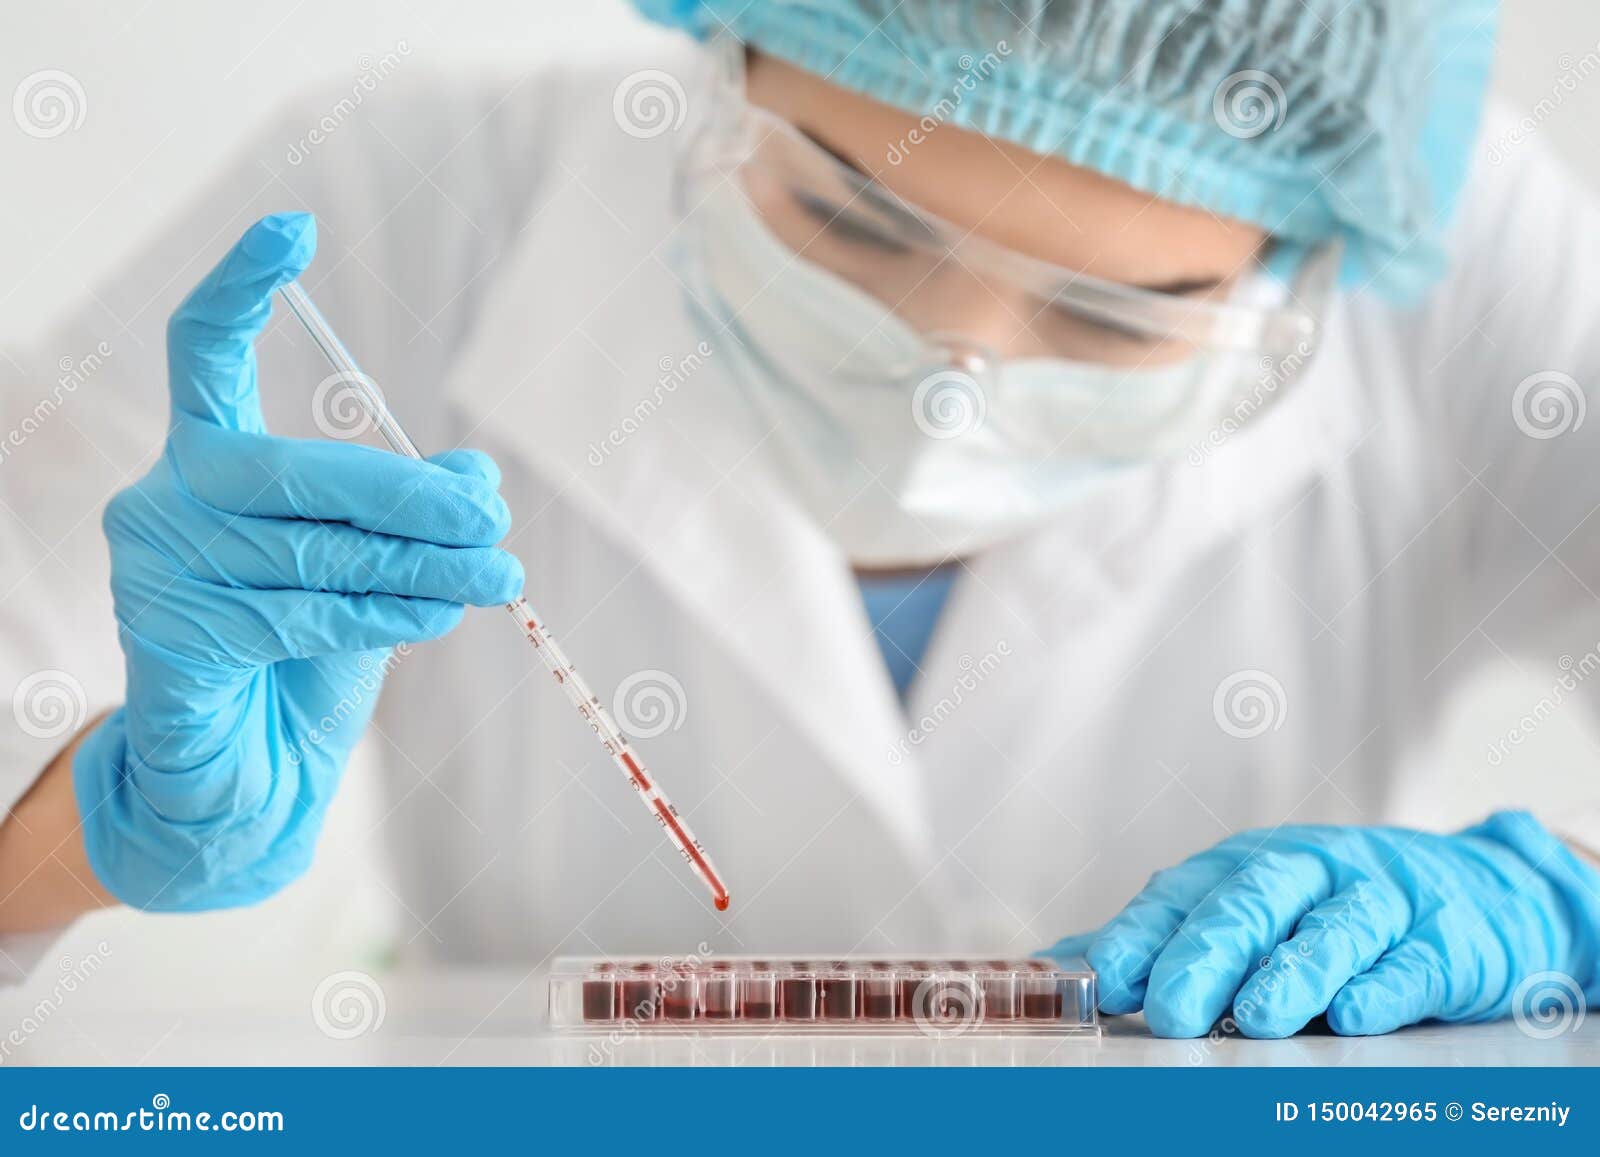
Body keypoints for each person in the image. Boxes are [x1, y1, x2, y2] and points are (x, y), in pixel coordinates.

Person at [1, 0, 1597, 1040]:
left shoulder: (1479, 274)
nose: (947, 397)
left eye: (1114, 321)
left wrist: (1565, 905)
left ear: (1313, 266)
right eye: (845, 218)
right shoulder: (423, 190)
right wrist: (102, 817)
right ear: (723, 58)